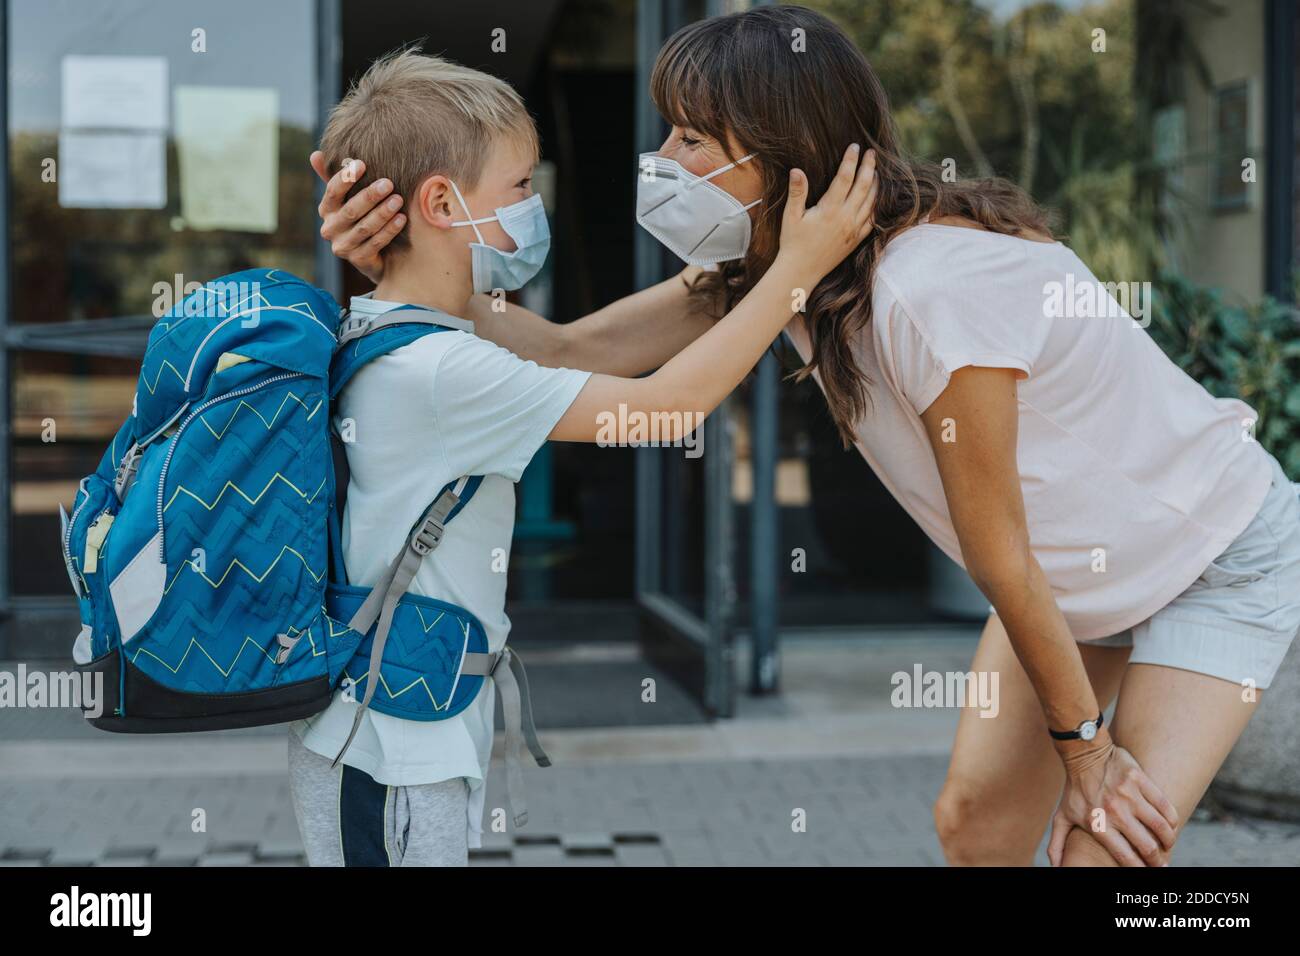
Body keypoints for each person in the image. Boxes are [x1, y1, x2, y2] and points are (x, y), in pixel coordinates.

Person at [318, 6, 1300, 867]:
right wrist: (398, 262)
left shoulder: (931, 292)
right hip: (1071, 580)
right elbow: (574, 346)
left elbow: (996, 552)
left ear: (782, 157)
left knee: (1099, 848)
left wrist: (1085, 748)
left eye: (695, 139)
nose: (664, 161)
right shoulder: (782, 270)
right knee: (975, 828)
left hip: (1212, 559)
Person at [288, 46, 876, 866]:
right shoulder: (443, 370)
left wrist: (762, 263)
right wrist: (800, 271)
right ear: (440, 202)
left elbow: (570, 349)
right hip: (390, 754)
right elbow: (664, 409)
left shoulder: (408, 333)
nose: (535, 209)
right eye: (521, 188)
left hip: (402, 736)